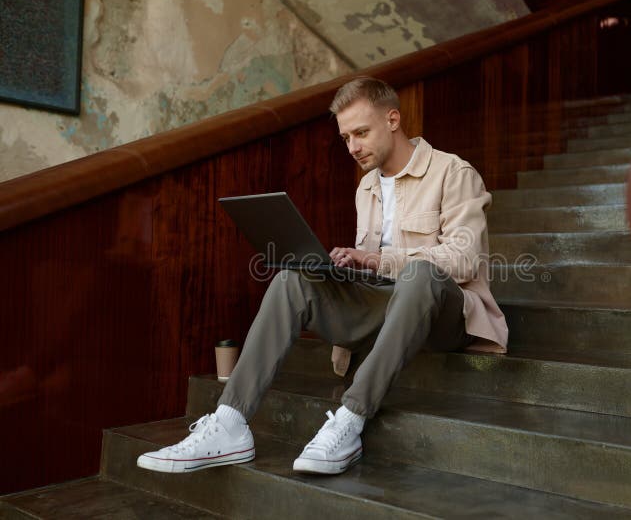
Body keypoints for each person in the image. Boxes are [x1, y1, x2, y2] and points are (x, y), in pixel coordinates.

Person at [136, 76, 509, 475]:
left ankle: (350, 419)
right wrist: (340, 270)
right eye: (346, 137)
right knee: (293, 279)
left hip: (444, 315)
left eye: (362, 133)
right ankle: (229, 422)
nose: (353, 147)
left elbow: (464, 259)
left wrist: (375, 260)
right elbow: (372, 274)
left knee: (419, 274)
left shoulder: (453, 172)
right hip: (386, 309)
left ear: (394, 119)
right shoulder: (367, 186)